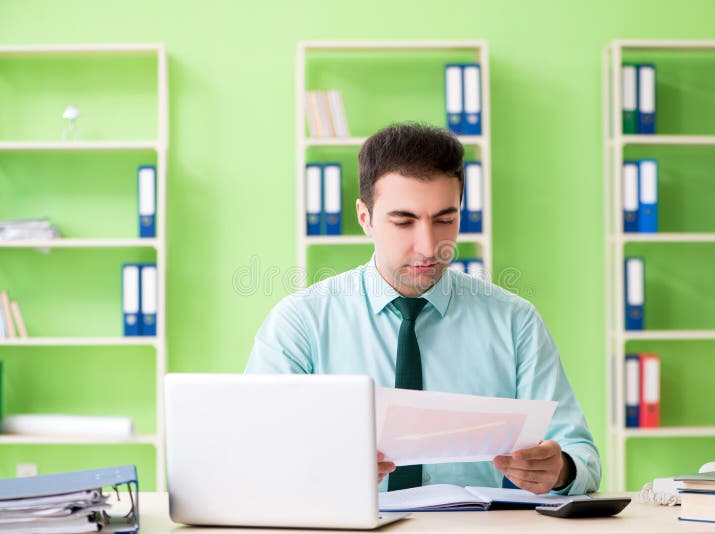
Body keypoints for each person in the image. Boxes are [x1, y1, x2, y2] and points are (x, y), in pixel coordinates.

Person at [245, 123, 600, 495]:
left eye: (445, 220)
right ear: (365, 217)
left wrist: (560, 470)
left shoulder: (514, 321)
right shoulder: (301, 322)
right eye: (404, 221)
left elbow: (582, 456)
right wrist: (323, 468)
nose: (429, 247)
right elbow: (253, 455)